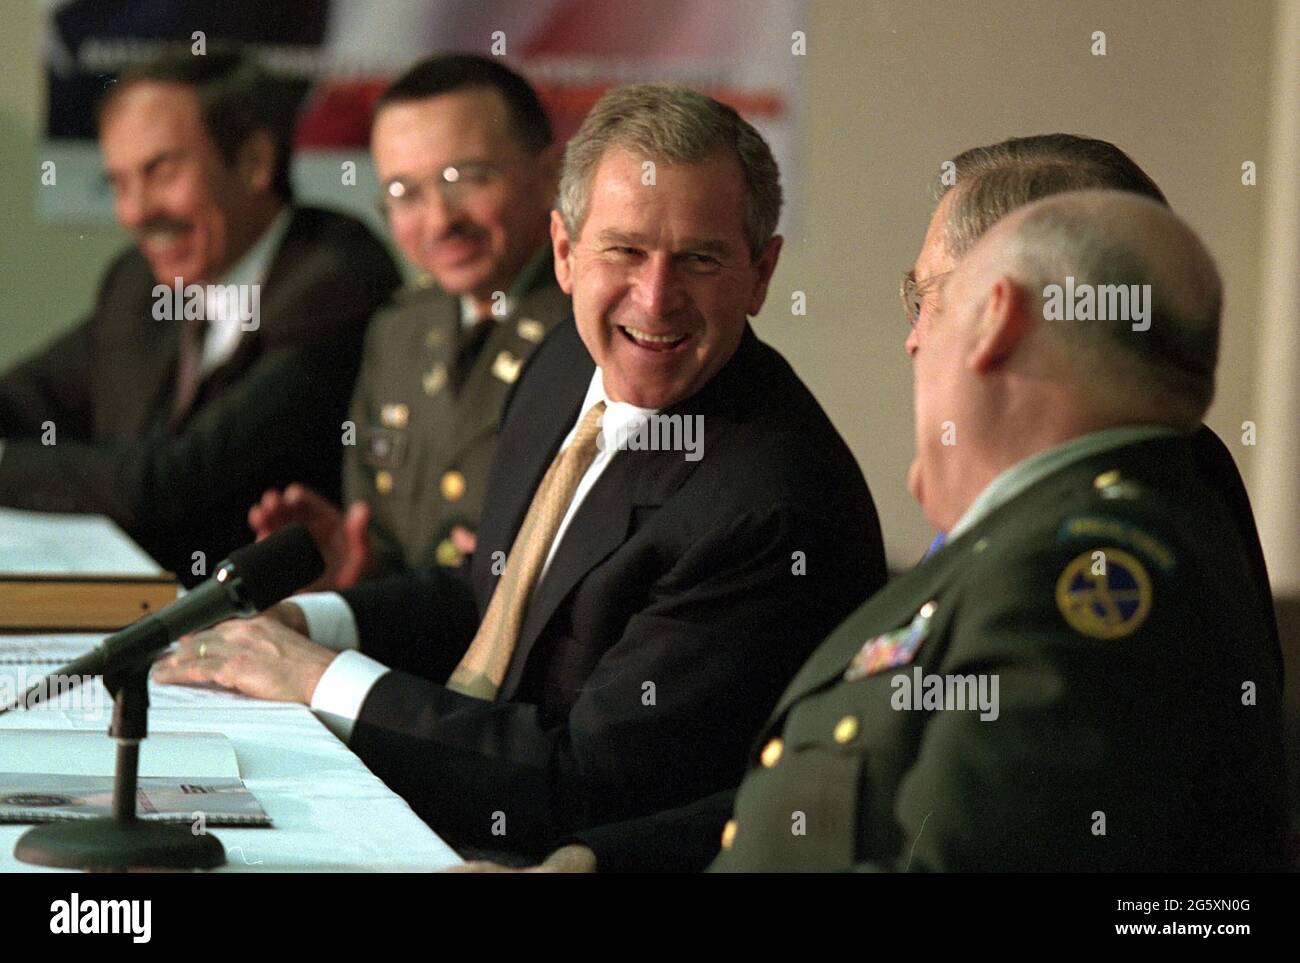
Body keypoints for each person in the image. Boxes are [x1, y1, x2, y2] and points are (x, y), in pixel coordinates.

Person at [154, 84, 889, 859]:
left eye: (699, 258)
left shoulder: (769, 505)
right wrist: (311, 621)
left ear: (763, 271)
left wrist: (317, 677)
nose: (656, 297)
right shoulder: (566, 360)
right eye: (624, 250)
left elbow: (581, 782)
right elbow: (500, 595)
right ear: (566, 253)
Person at [522, 191, 1287, 873]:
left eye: (927, 304)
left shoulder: (1071, 584)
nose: (913, 342)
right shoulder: (1043, 546)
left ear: (998, 321)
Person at [0, 46, 401, 584]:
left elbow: (175, 487)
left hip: (267, 625)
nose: (135, 213)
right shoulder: (139, 281)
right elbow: (27, 399)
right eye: (119, 182)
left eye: (161, 172)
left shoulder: (336, 277)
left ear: (255, 161)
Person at [248, 55, 571, 587]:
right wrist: (356, 565)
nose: (441, 220)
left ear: (549, 176)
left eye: (467, 178)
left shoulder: (592, 330)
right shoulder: (399, 330)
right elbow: (388, 538)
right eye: (405, 194)